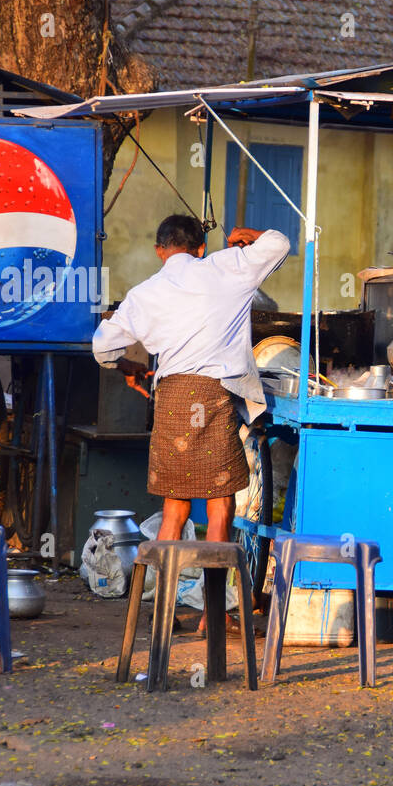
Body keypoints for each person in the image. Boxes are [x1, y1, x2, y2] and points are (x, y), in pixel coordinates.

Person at [92, 214, 291, 632]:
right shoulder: (224, 266)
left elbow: (102, 348)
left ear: (160, 251)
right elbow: (278, 242)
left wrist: (127, 363)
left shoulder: (145, 292)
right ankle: (213, 616)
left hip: (172, 399)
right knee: (219, 505)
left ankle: (164, 612)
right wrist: (249, 235)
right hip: (214, 396)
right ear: (201, 247)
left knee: (174, 507)